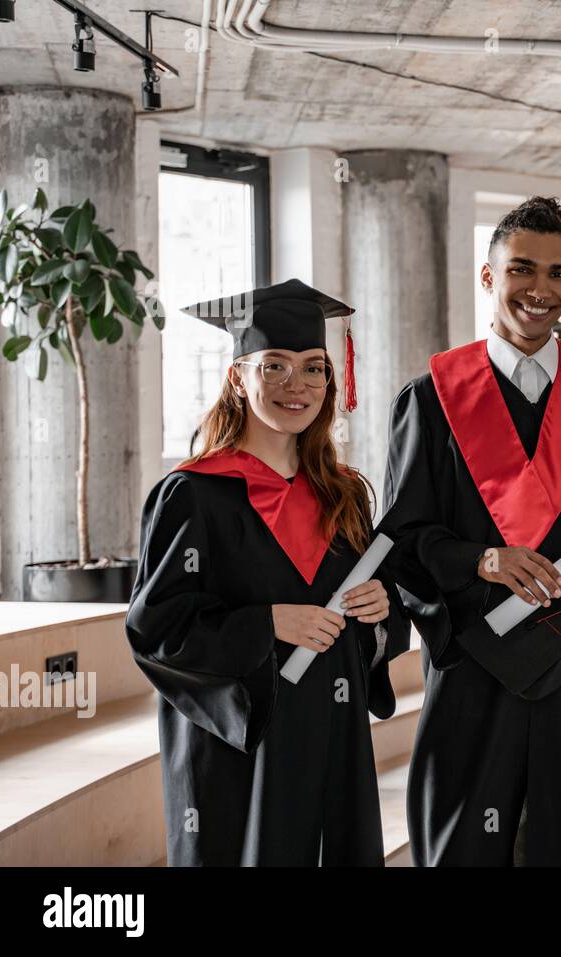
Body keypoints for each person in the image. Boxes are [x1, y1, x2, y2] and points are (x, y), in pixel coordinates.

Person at [377, 196, 561, 866]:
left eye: (560, 274)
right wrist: (482, 561)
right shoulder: (431, 400)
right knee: (464, 845)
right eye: (522, 270)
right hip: (478, 660)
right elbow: (403, 537)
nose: (542, 290)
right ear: (487, 277)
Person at [126, 278, 410, 866]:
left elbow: (371, 635)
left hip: (331, 737)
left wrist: (379, 614)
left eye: (313, 368)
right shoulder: (193, 496)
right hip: (242, 751)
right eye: (273, 366)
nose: (295, 385)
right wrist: (267, 623)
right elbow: (157, 632)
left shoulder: (345, 494)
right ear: (237, 377)